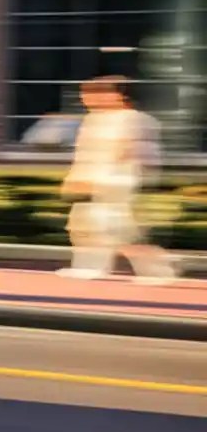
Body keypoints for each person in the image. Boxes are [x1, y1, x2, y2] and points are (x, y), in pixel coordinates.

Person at [59, 75, 176, 284]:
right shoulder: (93, 119)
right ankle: (90, 266)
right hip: (95, 178)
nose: (86, 99)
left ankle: (158, 268)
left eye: (93, 94)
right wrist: (75, 176)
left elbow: (126, 150)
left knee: (112, 227)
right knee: (84, 225)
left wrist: (99, 177)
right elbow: (84, 153)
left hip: (118, 180)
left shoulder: (133, 119)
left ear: (116, 95)